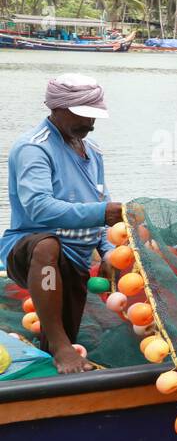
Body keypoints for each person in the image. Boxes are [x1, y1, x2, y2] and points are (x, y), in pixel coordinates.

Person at [1, 75, 121, 374]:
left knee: (63, 330)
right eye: (83, 115)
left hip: (75, 262)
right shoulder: (33, 148)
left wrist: (106, 250)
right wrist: (102, 213)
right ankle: (59, 346)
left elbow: (101, 201)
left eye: (94, 116)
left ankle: (54, 351)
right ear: (57, 108)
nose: (90, 124)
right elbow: (39, 208)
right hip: (30, 253)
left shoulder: (92, 151)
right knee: (46, 246)